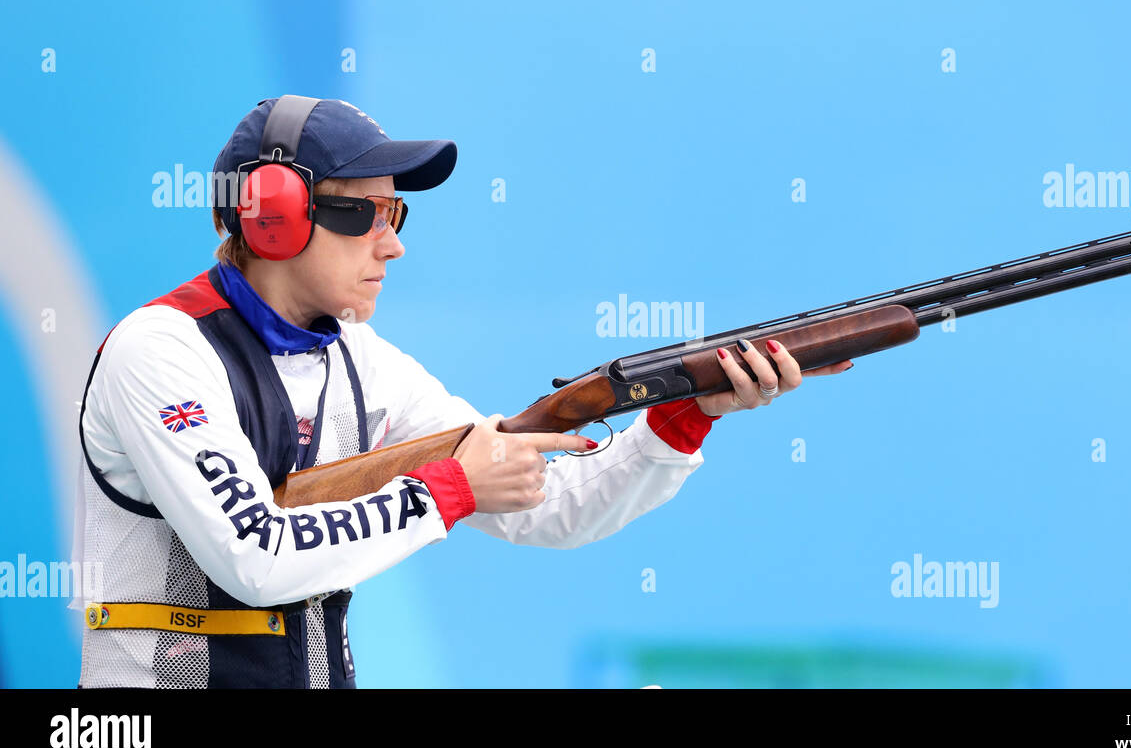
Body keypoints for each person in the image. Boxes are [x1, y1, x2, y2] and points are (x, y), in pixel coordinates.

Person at [74, 96, 851, 688]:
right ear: (272, 216)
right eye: (366, 213)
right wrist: (443, 492)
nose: (395, 241)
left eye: (397, 212)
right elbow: (258, 558)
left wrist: (685, 415)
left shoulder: (357, 359)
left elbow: (546, 504)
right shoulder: (162, 352)